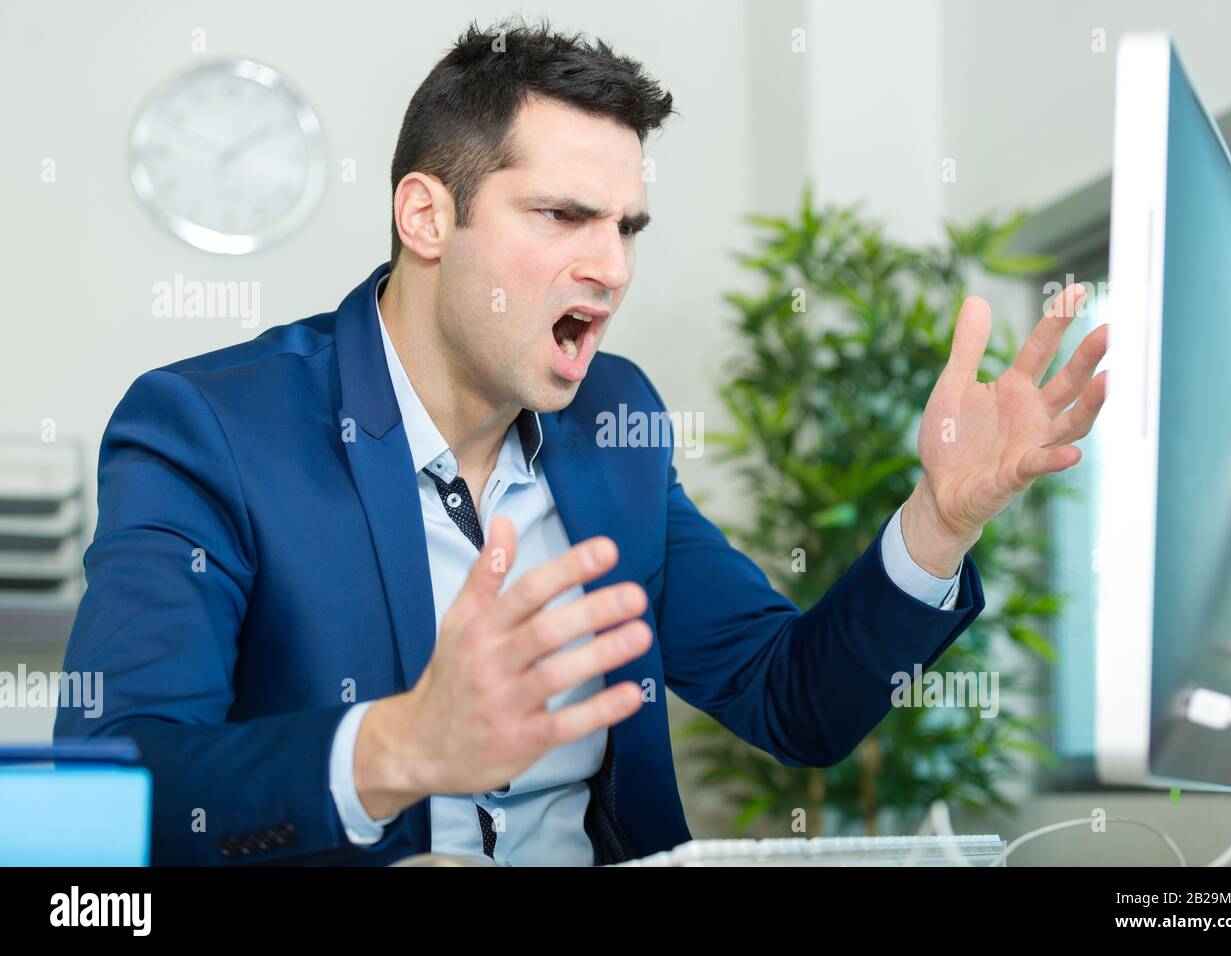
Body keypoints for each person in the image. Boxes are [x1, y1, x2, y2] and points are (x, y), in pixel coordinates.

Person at [55, 17, 1108, 866]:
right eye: (563, 215)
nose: (610, 267)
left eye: (626, 226)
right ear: (426, 218)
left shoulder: (615, 421)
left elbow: (792, 699)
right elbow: (112, 790)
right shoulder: (211, 428)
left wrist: (938, 520)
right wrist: (395, 746)